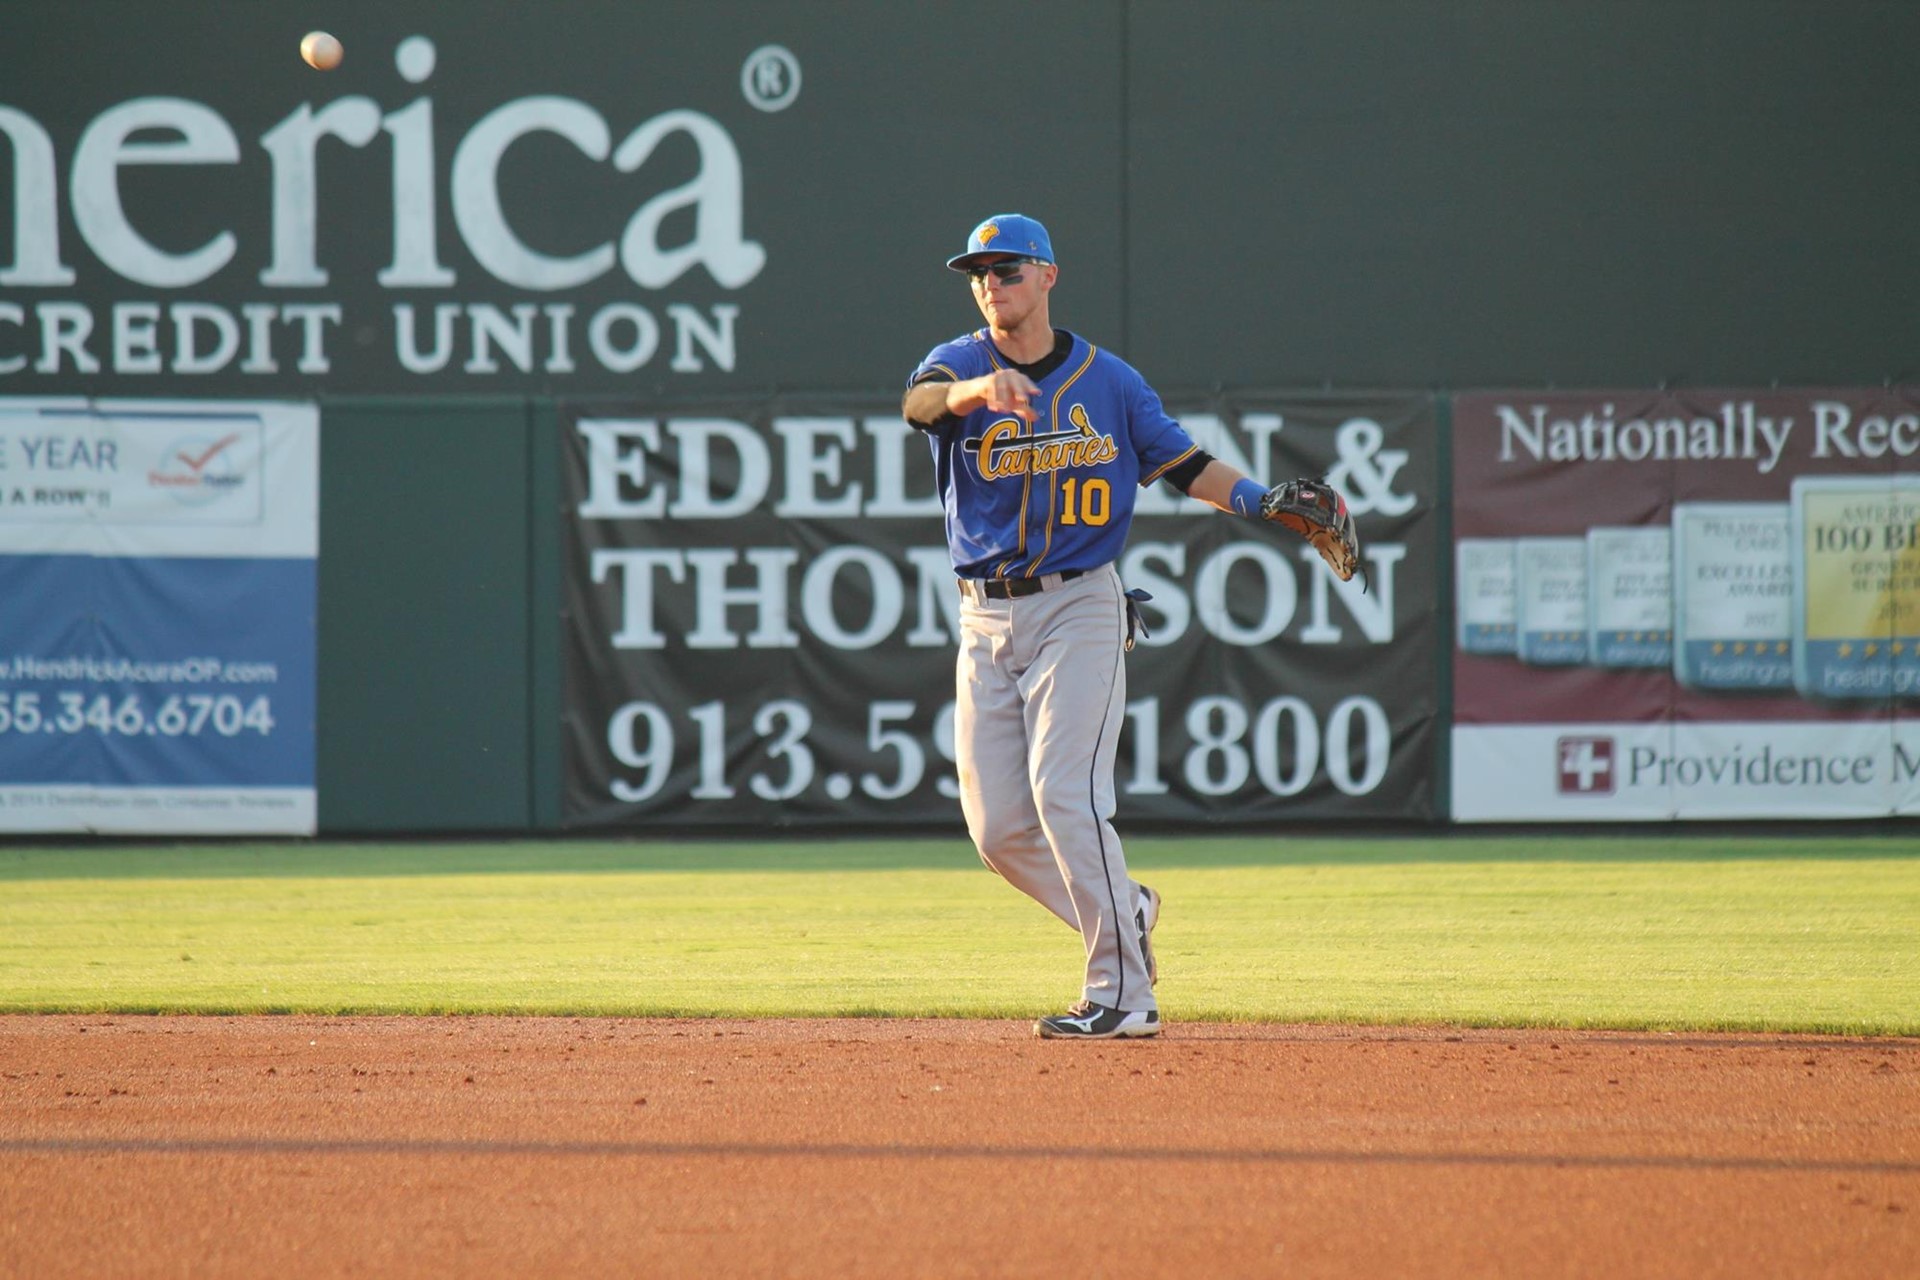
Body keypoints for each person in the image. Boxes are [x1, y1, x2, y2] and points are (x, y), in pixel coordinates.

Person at [901, 213, 1317, 1040]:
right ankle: (1126, 911)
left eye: (1008, 268)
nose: (991, 284)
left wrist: (1261, 501)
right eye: (979, 272)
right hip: (983, 614)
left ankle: (1124, 995)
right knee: (998, 833)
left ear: (1049, 276)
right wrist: (972, 393)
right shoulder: (957, 364)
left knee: (1067, 795)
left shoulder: (1108, 381)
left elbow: (1183, 464)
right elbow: (916, 405)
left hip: (1079, 604)